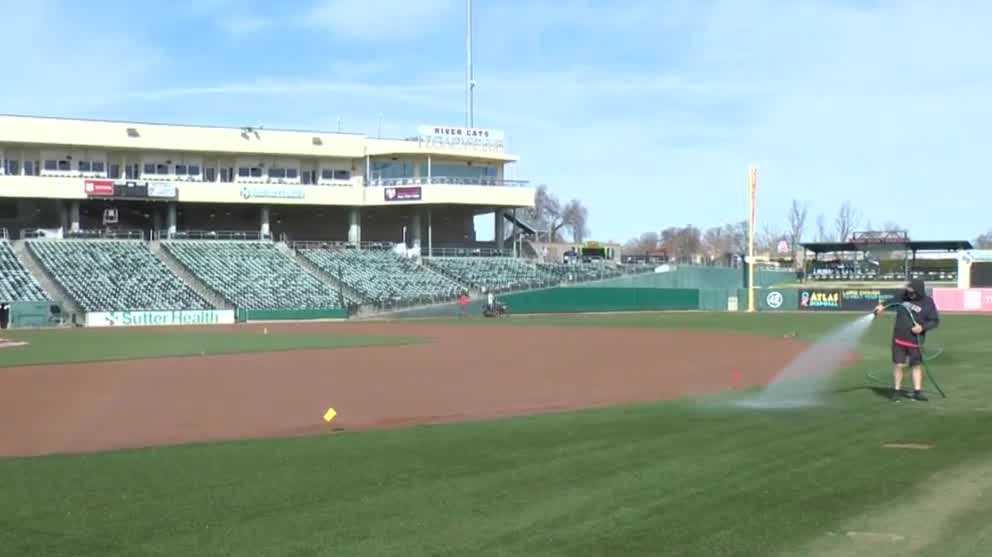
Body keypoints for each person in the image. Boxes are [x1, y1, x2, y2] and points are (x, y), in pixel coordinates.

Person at [874, 279, 940, 402]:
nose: (910, 294)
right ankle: (897, 391)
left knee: (916, 366)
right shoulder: (903, 295)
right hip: (899, 339)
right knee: (898, 365)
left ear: (919, 291)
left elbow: (934, 321)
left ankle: (917, 392)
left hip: (916, 342)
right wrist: (882, 306)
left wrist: (922, 328)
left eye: (912, 292)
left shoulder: (928, 302)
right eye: (908, 291)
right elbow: (891, 301)